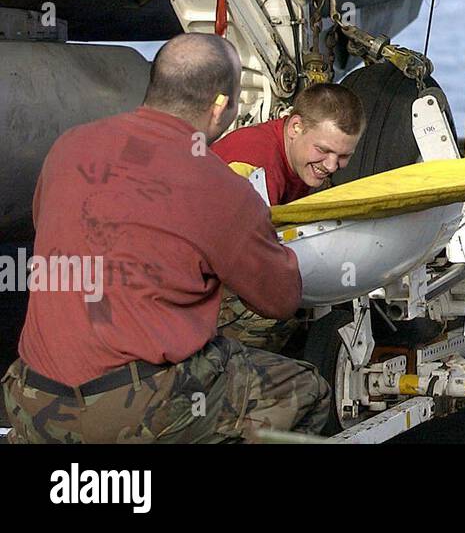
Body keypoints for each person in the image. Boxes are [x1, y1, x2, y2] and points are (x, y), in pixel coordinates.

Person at [1, 33, 329, 442]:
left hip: (32, 401)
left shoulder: (68, 147)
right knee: (306, 390)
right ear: (220, 106)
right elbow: (279, 299)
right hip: (127, 413)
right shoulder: (220, 186)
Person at [211, 83, 365, 352]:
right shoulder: (252, 166)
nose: (331, 166)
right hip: (192, 283)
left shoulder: (301, 161)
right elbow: (238, 261)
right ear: (295, 127)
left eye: (343, 156)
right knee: (276, 318)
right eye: (323, 151)